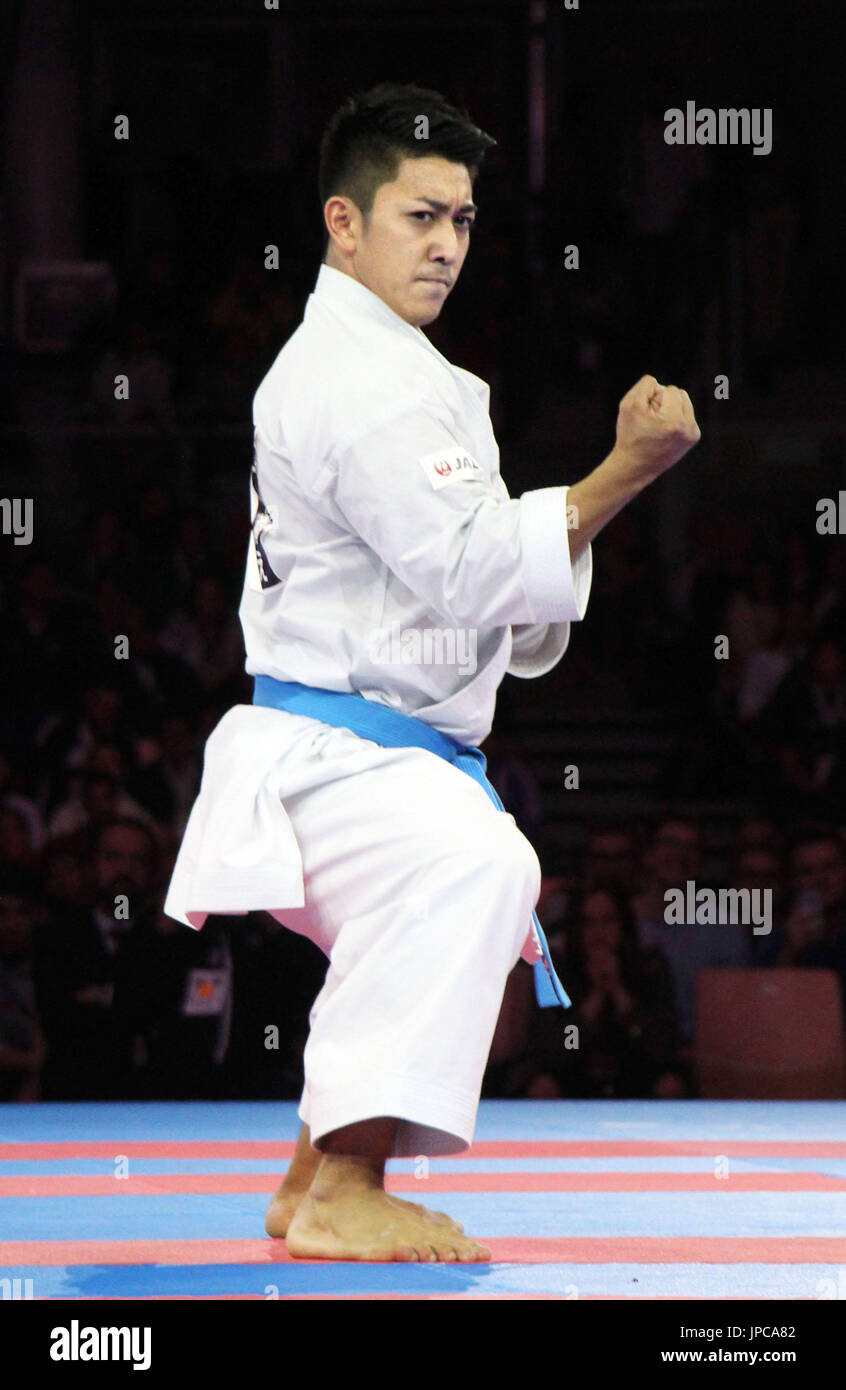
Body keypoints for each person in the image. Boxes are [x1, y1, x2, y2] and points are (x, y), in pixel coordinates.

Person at [164, 81, 701, 1263]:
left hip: (369, 747)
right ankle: (351, 1179)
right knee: (470, 862)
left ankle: (312, 1170)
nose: (449, 244)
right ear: (342, 224)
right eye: (420, 216)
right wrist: (626, 471)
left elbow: (475, 594)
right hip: (339, 749)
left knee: (461, 865)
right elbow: (470, 570)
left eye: (461, 218)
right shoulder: (356, 379)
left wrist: (583, 511)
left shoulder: (401, 372)